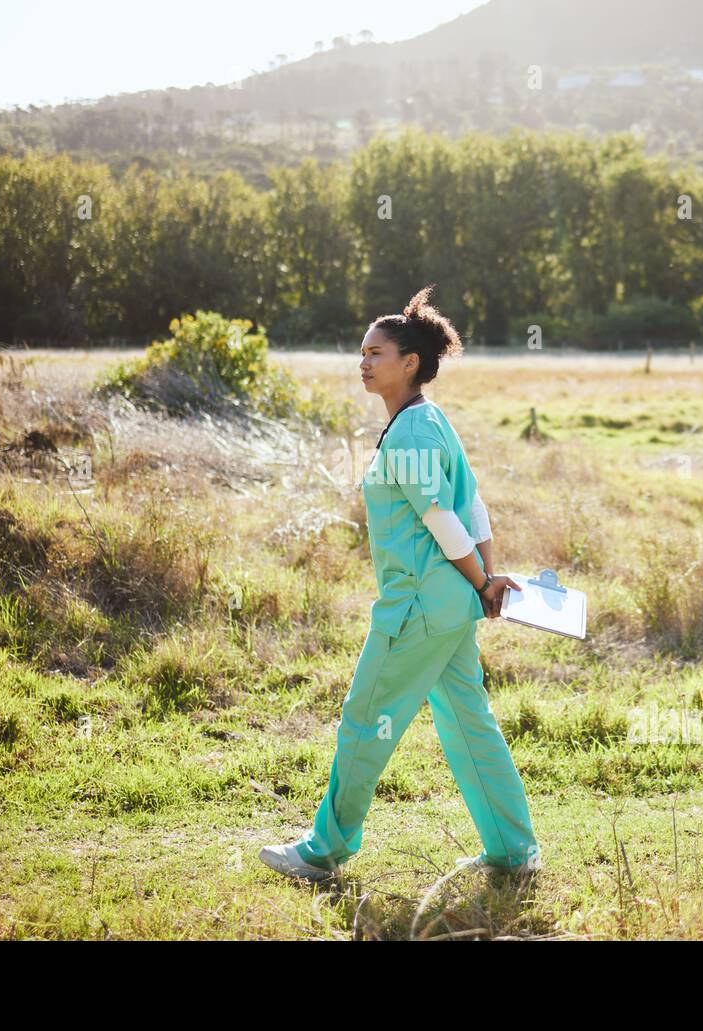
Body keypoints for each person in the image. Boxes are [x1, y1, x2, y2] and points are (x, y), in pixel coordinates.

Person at [259, 284, 542, 883]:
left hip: (414, 610)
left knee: (365, 719)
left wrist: (486, 582)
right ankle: (514, 852)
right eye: (361, 353)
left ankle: (322, 852)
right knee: (469, 725)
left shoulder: (411, 431)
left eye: (375, 353)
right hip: (451, 609)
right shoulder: (431, 421)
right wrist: (483, 581)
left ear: (410, 363)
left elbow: (445, 521)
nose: (362, 363)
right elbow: (476, 509)